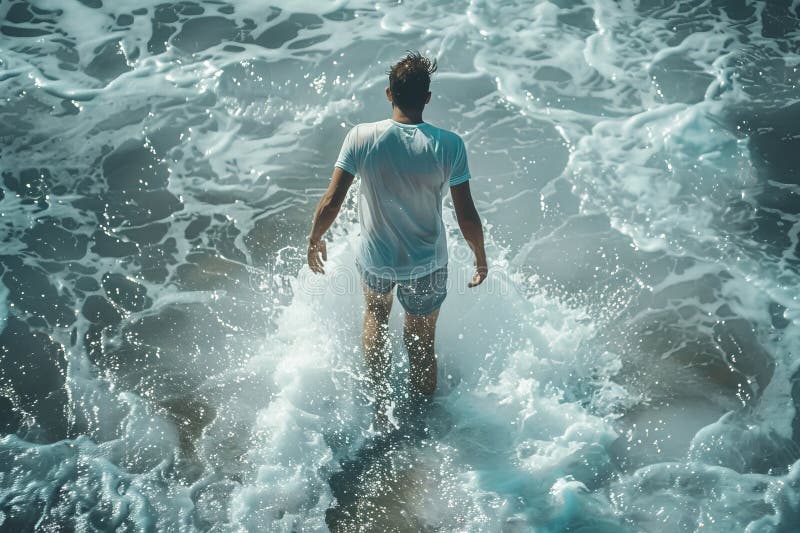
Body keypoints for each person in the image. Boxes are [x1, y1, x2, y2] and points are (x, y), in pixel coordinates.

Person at [306, 51, 487, 429]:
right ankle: (421, 421)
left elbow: (331, 200)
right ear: (427, 98)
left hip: (377, 258)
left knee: (375, 314)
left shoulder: (361, 137)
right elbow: (466, 213)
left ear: (389, 94)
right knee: (422, 345)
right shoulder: (448, 145)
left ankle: (380, 401)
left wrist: (314, 238)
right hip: (428, 265)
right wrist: (479, 256)